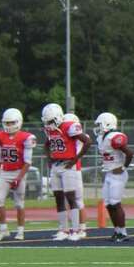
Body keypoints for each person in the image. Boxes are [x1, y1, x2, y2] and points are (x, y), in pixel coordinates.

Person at [41, 103, 91, 241]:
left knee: (71, 197)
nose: (48, 124)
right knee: (58, 198)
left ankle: (76, 230)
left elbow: (87, 141)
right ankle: (63, 229)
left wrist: (75, 159)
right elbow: (46, 144)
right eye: (46, 122)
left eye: (50, 121)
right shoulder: (50, 130)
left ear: (58, 117)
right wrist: (49, 158)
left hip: (68, 165)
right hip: (56, 166)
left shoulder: (69, 126)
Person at [0, 108, 36, 241]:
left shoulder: (26, 137)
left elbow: (28, 162)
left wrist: (19, 178)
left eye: (12, 122)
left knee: (19, 204)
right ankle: (3, 230)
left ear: (18, 122)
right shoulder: (0, 136)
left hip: (19, 172)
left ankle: (20, 231)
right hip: (5, 172)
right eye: (7, 123)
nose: (9, 125)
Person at [94, 112, 134, 242]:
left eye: (99, 124)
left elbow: (129, 153)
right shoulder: (101, 138)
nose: (97, 127)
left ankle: (123, 232)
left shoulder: (114, 137)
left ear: (107, 124)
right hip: (109, 173)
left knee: (115, 203)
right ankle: (117, 231)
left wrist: (123, 167)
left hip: (118, 174)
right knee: (108, 204)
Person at [62, 113, 90, 239]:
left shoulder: (79, 136)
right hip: (67, 169)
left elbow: (84, 140)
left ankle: (82, 228)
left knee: (77, 200)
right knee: (68, 200)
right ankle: (72, 228)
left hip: (75, 168)